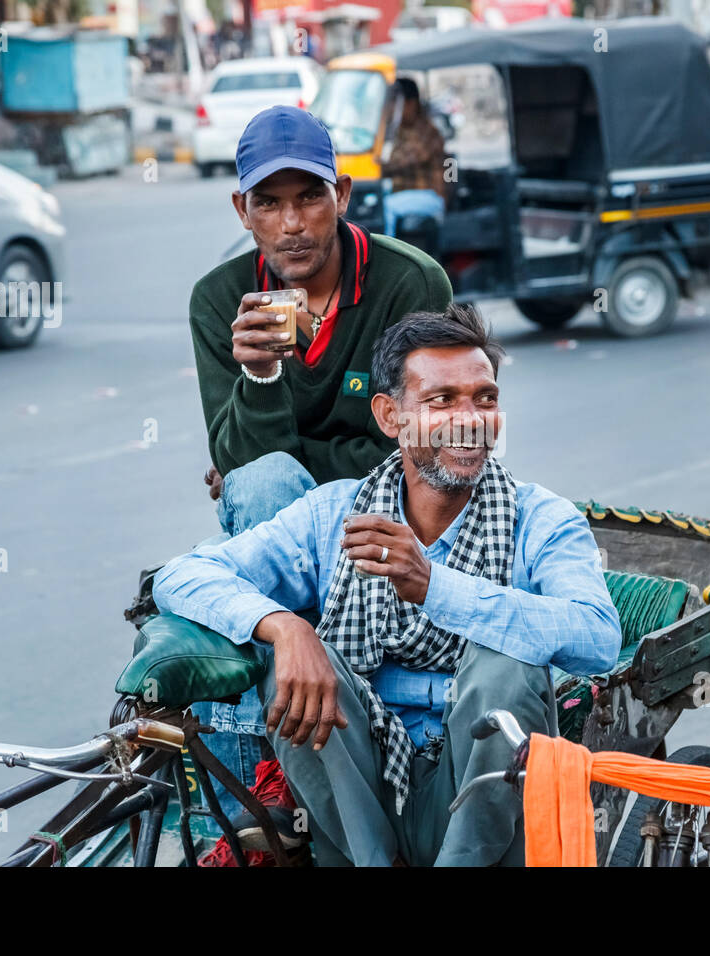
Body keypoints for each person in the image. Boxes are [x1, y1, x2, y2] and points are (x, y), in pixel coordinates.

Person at [153, 305, 622, 865]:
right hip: (361, 791)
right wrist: (284, 628)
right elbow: (184, 575)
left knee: (507, 663)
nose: (469, 418)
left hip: (484, 792)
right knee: (287, 662)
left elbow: (597, 637)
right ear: (390, 416)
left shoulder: (542, 519)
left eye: (485, 399)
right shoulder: (335, 515)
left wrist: (434, 587)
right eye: (441, 400)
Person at [185, 104, 453, 834]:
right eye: (269, 203)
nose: (293, 223)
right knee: (268, 483)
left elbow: (420, 452)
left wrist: (304, 464)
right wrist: (264, 377)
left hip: (387, 517)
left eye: (309, 197)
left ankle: (301, 739)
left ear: (343, 195)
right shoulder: (220, 301)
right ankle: (297, 701)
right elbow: (243, 463)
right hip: (288, 521)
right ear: (243, 210)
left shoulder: (408, 283)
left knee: (277, 480)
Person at [381, 78, 448, 238]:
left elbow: (400, 162)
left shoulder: (427, 131)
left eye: (395, 103)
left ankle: (387, 255)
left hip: (431, 197)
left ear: (410, 104)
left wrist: (375, 164)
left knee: (385, 207)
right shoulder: (399, 130)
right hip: (405, 195)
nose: (390, 108)